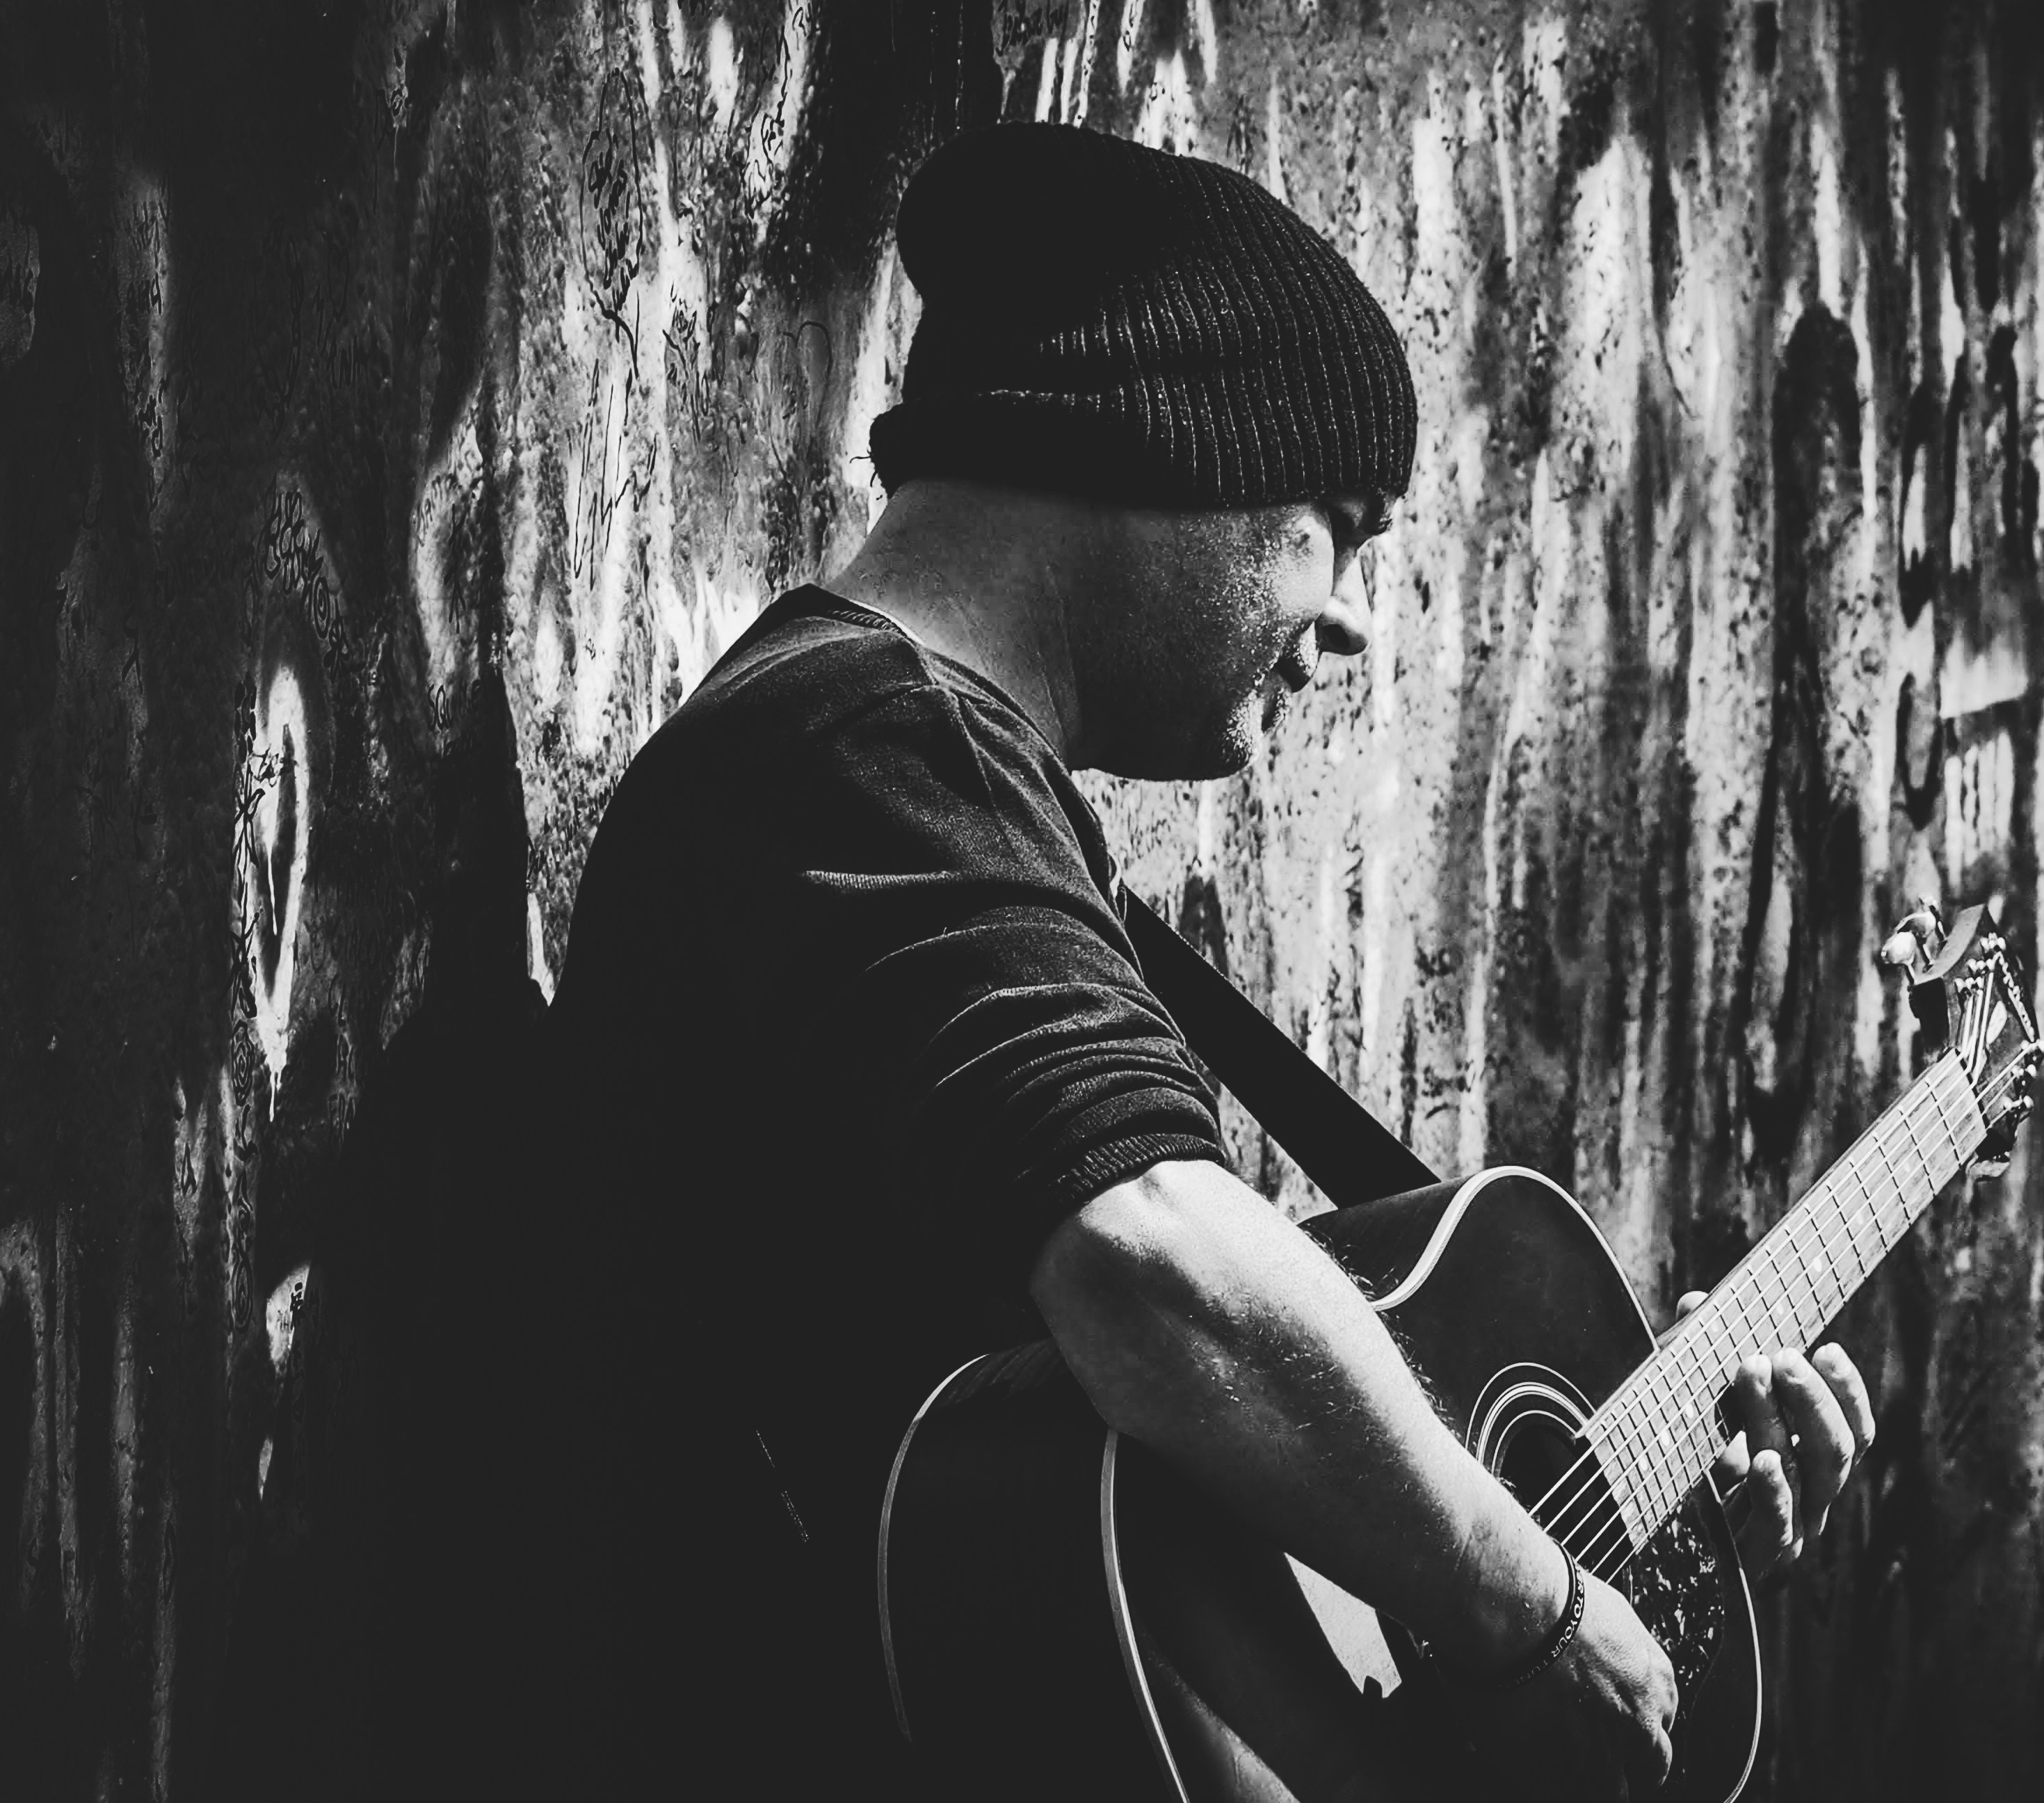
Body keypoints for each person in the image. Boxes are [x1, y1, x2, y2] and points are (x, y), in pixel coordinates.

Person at [527, 123, 1874, 1800]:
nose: (1355, 623)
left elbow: (1155, 1502)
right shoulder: (866, 750)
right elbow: (1155, 1270)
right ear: (1167, 444)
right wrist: (1530, 1610)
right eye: (1338, 523)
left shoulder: (939, 784)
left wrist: (1636, 1547)